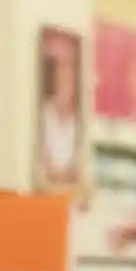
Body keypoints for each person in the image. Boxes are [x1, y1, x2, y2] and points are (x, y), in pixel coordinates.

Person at [39, 30, 81, 186]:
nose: (64, 77)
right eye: (59, 69)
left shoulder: (79, 121)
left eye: (69, 70)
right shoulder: (43, 115)